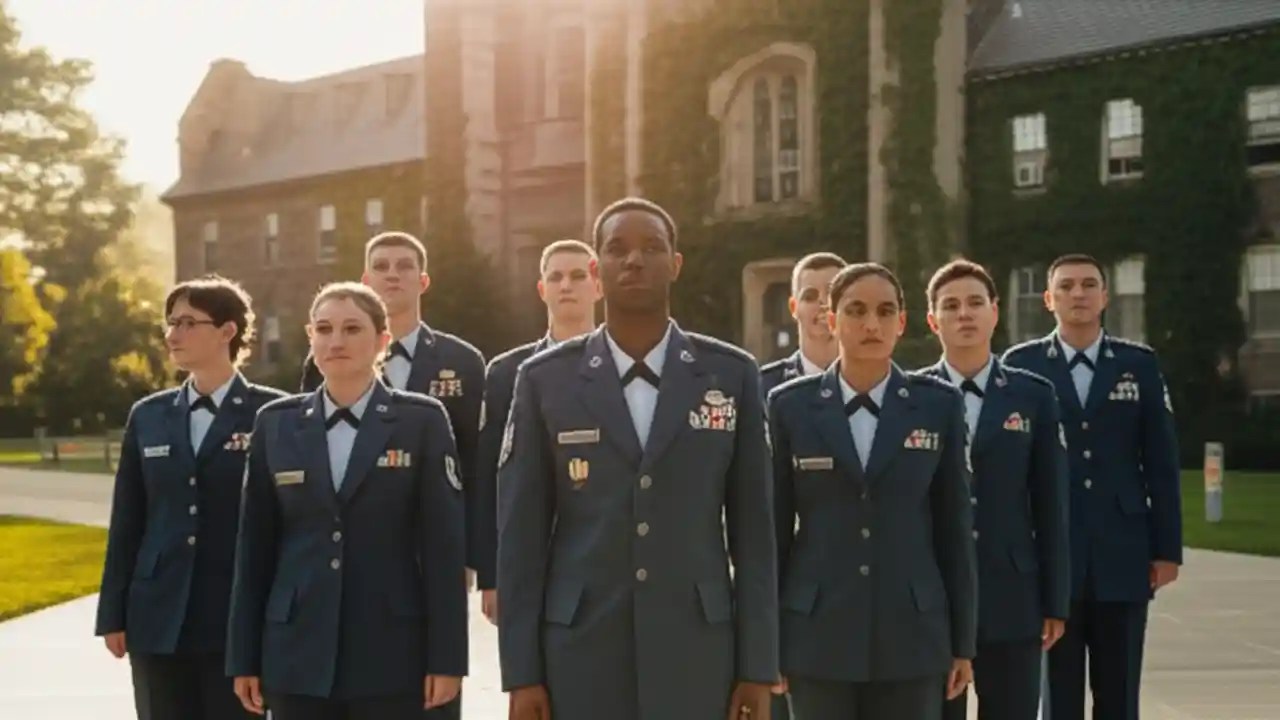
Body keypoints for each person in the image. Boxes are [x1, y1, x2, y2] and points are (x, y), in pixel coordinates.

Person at [497, 197, 778, 720]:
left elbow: (755, 535)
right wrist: (522, 673)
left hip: (697, 651)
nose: (634, 260)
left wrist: (758, 666)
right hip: (580, 651)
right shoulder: (544, 380)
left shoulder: (730, 375)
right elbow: (520, 540)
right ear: (595, 270)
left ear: (675, 264)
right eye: (617, 249)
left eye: (652, 248)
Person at [227, 282, 468, 720]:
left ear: (382, 341)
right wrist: (243, 657)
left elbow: (443, 550)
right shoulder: (275, 425)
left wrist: (448, 659)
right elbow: (254, 550)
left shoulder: (421, 421)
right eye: (324, 328)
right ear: (310, 338)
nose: (336, 341)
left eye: (352, 328)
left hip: (393, 654)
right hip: (297, 656)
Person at [768, 262, 977, 720]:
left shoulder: (938, 404)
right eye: (856, 310)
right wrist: (768, 641)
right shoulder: (790, 406)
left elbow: (954, 530)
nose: (871, 324)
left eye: (885, 312)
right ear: (830, 319)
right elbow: (774, 536)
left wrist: (962, 642)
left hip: (912, 635)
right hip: (816, 635)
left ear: (902, 322)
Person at [95, 275, 287, 720]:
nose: (173, 335)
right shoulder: (149, 415)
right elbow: (128, 519)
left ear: (227, 331)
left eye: (187, 322)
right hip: (157, 617)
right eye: (170, 323)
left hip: (236, 619)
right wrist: (113, 612)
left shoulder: (274, 414)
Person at [1002, 254, 1181, 720]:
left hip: (1122, 551)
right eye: (1065, 286)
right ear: (1048, 299)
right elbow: (1008, 471)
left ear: (1105, 296)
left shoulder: (1137, 364)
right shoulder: (1021, 367)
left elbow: (1160, 462)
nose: (1077, 294)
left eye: (1087, 285)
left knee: (1119, 693)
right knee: (1057, 695)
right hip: (1050, 554)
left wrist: (1167, 549)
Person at [919, 259, 1070, 720]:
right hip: (932, 599)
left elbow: (1051, 503)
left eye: (974, 303)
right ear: (933, 320)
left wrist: (1055, 600)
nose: (964, 314)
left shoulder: (1033, 395)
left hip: (1012, 596)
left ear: (994, 312)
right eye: (951, 305)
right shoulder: (912, 397)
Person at [299, 231, 485, 591]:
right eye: (381, 267)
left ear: (424, 280)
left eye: (404, 266)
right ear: (366, 281)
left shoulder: (463, 361)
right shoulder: (327, 360)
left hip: (432, 535)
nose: (393, 275)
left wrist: (471, 554)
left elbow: (474, 462)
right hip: (349, 539)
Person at [473, 238, 601, 624]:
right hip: (533, 554)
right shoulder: (506, 373)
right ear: (542, 289)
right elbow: (490, 479)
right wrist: (491, 577)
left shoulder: (629, 364)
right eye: (555, 277)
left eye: (579, 276)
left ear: (599, 287)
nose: (566, 285)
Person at [761, 252, 847, 397]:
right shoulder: (763, 386)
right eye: (810, 296)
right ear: (793, 308)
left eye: (832, 294)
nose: (824, 303)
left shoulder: (880, 383)